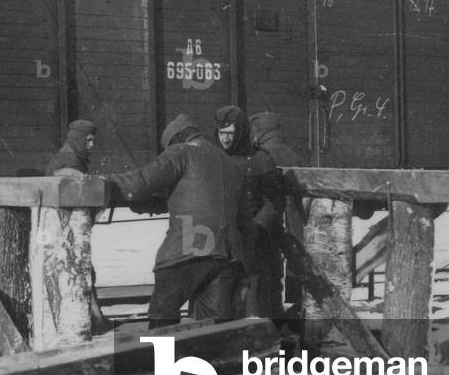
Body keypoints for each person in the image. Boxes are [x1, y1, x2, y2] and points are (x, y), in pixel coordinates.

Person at [105, 114, 249, 328]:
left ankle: (161, 360)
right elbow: (243, 221)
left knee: (163, 315)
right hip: (226, 255)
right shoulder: (232, 165)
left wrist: (100, 182)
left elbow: (140, 183)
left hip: (189, 248)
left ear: (176, 139)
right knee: (213, 327)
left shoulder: (181, 152)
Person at [214, 106, 287, 319]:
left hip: (256, 244)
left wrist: (257, 227)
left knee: (256, 305)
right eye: (221, 133)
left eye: (230, 133)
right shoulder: (213, 159)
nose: (225, 139)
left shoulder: (261, 160)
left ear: (242, 131)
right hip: (223, 244)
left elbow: (274, 202)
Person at [45, 119, 108, 330]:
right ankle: (93, 321)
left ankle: (95, 317)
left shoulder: (69, 156)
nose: (92, 145)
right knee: (81, 271)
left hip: (60, 227)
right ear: (78, 139)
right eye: (89, 141)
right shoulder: (71, 162)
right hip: (66, 229)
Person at [249, 111, 306, 322]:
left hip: (270, 226)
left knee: (269, 278)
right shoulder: (294, 156)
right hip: (295, 224)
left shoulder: (261, 156)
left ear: (259, 132)